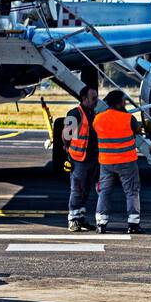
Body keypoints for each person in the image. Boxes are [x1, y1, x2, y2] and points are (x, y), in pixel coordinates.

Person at [92, 89, 143, 233]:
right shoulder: (128, 118)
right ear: (120, 102)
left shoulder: (98, 119)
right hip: (127, 161)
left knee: (104, 192)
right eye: (124, 100)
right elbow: (138, 130)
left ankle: (101, 223)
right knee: (131, 192)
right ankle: (133, 224)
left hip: (106, 162)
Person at [64, 85, 99, 232]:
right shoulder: (74, 113)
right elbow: (66, 136)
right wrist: (68, 150)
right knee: (77, 190)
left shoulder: (93, 113)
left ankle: (80, 218)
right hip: (79, 158)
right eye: (93, 98)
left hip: (91, 158)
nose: (96, 101)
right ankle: (73, 219)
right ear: (84, 99)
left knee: (85, 190)